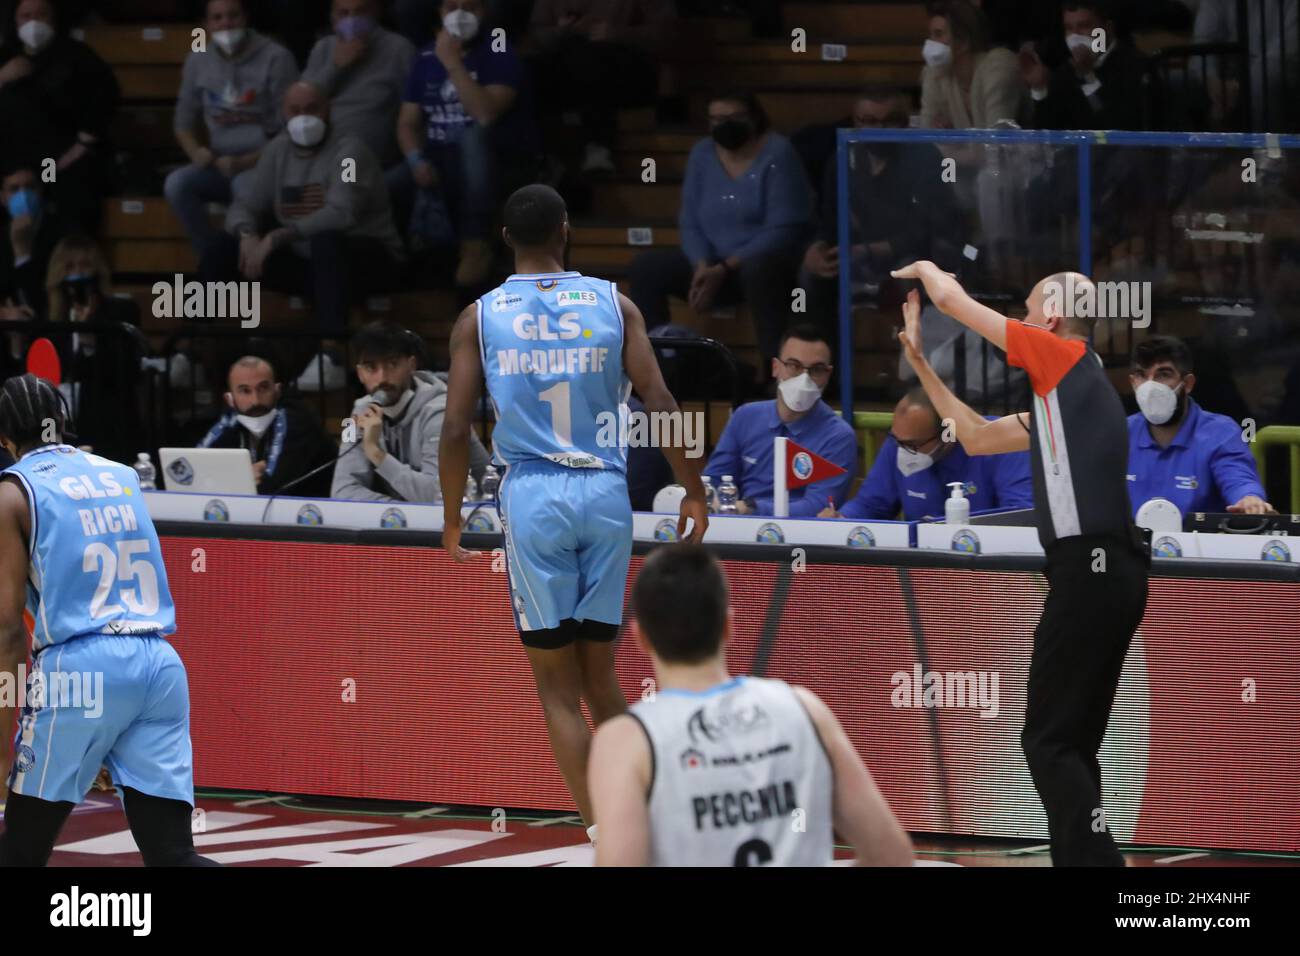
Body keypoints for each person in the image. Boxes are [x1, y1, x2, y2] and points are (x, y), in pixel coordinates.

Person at [438, 183, 709, 845]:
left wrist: (451, 518)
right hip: (605, 494)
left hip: (535, 496)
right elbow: (660, 400)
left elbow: (452, 428)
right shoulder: (615, 304)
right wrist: (693, 490)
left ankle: (606, 834)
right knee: (601, 676)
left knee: (558, 690)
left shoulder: (480, 315)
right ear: (565, 229)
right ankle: (658, 812)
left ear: (505, 238)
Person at [892, 264, 1148, 866]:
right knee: (1074, 747)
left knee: (1048, 742)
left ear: (1052, 316)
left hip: (1089, 571)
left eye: (1029, 308)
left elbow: (952, 301)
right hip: (1113, 575)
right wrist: (922, 365)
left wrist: (927, 269)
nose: (1023, 319)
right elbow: (975, 437)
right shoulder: (1069, 393)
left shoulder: (1060, 355)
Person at [0, 374, 217, 866]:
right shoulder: (119, 473)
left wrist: (2, 749)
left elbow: (8, 631)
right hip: (159, 665)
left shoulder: (13, 493)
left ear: (4, 438)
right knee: (172, 856)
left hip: (80, 668)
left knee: (21, 852)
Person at [588, 543, 915, 866]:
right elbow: (893, 856)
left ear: (640, 638)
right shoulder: (803, 708)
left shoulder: (625, 741)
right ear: (729, 626)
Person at [206, 81, 405, 365]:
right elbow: (246, 203)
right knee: (222, 246)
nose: (304, 116)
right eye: (295, 110)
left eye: (312, 109)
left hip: (365, 258)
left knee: (327, 240)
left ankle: (331, 353)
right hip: (307, 263)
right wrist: (247, 233)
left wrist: (278, 237)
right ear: (284, 114)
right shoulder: (277, 151)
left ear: (327, 110)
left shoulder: (350, 153)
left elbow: (342, 211)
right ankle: (195, 347)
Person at [627, 90, 813, 367]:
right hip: (713, 265)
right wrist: (702, 266)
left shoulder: (779, 152)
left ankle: (774, 367)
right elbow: (690, 221)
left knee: (759, 270)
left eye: (734, 118)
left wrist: (725, 267)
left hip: (764, 264)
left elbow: (783, 228)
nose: (725, 125)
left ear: (754, 117)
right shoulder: (702, 154)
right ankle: (658, 364)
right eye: (717, 119)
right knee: (646, 267)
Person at [397, 0, 538, 287]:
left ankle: (477, 242)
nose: (460, 15)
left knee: (472, 135)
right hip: (436, 158)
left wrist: (452, 62)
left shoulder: (498, 52)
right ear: (439, 12)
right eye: (451, 7)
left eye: (470, 7)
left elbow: (484, 113)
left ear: (484, 12)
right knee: (384, 184)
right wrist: (415, 160)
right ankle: (394, 261)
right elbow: (407, 122)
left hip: (491, 158)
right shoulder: (424, 55)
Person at [166, 0, 298, 262]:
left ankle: (249, 264)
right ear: (207, 24)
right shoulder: (197, 60)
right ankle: (211, 259)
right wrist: (195, 151)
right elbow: (182, 124)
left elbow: (290, 133)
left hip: (264, 162)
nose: (225, 23)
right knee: (177, 184)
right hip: (219, 162)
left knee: (243, 187)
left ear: (246, 18)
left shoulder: (277, 57)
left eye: (233, 16)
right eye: (217, 18)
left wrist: (243, 162)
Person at [704, 325, 857, 516]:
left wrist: (752, 509)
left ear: (828, 374)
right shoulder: (745, 417)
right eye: (794, 366)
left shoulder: (838, 436)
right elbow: (713, 481)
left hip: (799, 539)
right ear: (776, 368)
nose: (804, 379)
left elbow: (818, 508)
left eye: (816, 369)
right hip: (741, 529)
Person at [332, 320, 487, 502]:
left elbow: (438, 495)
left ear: (411, 365)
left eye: (392, 364)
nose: (382, 377)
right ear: (360, 374)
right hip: (414, 524)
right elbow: (342, 491)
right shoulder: (358, 414)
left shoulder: (442, 412)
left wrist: (376, 452)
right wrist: (394, 514)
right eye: (371, 367)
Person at [825, 386, 1032, 521]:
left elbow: (1019, 517)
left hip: (990, 569)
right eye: (897, 441)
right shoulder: (899, 443)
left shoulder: (1005, 444)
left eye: (913, 445)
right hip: (923, 567)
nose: (903, 451)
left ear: (949, 433)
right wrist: (842, 518)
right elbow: (871, 505)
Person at [0, 0, 119, 232]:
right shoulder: (5, 56)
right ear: (14, 20)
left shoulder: (76, 55)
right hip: (9, 161)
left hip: (55, 160)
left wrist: (81, 146)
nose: (33, 22)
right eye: (26, 16)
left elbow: (105, 96)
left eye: (41, 15)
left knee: (71, 191)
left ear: (54, 19)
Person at [1126, 335, 1274, 517]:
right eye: (1142, 375)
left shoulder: (1221, 432)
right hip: (1132, 544)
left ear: (1187, 384)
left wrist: (1249, 499)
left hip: (1196, 543)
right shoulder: (1121, 433)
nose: (1151, 386)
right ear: (1133, 383)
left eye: (1163, 375)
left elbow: (1239, 479)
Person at [527, 0, 673, 175]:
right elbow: (536, 34)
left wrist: (617, 34)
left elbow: (666, 34)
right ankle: (544, 153)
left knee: (591, 57)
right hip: (567, 63)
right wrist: (561, 30)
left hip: (627, 67)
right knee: (533, 67)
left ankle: (598, 146)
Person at [43, 233, 142, 464]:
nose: (77, 274)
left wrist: (89, 338)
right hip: (59, 428)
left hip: (108, 425)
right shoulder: (50, 321)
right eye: (70, 267)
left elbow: (125, 371)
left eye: (85, 266)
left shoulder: (121, 313)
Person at [303, 0, 416, 190]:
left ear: (376, 12)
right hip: (321, 155)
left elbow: (414, 111)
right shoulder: (323, 48)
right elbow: (303, 106)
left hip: (371, 160)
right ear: (332, 18)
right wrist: (336, 67)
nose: (352, 20)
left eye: (360, 12)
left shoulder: (399, 49)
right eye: (343, 13)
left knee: (347, 179)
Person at [198, 355, 339, 497]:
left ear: (277, 390)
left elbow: (272, 487)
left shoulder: (295, 419)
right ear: (230, 399)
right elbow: (194, 468)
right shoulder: (230, 420)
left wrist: (233, 480)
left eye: (263, 388)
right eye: (245, 391)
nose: (256, 400)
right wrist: (240, 477)